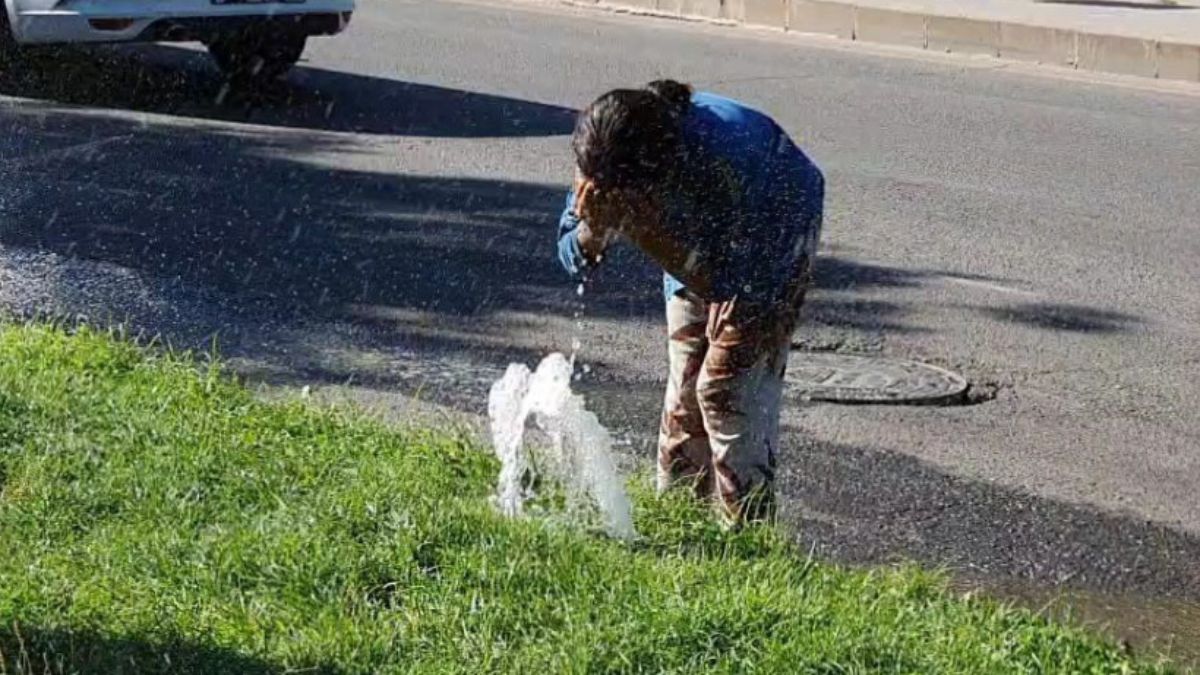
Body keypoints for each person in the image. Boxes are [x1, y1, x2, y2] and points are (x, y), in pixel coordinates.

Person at [555, 80, 825, 527]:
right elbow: (573, 260)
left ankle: (748, 530)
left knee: (723, 388)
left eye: (625, 199)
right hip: (694, 223)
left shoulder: (714, 160)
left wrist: (647, 233)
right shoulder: (605, 158)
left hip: (776, 214)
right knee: (684, 387)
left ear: (654, 180)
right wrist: (591, 229)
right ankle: (678, 519)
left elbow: (723, 282)